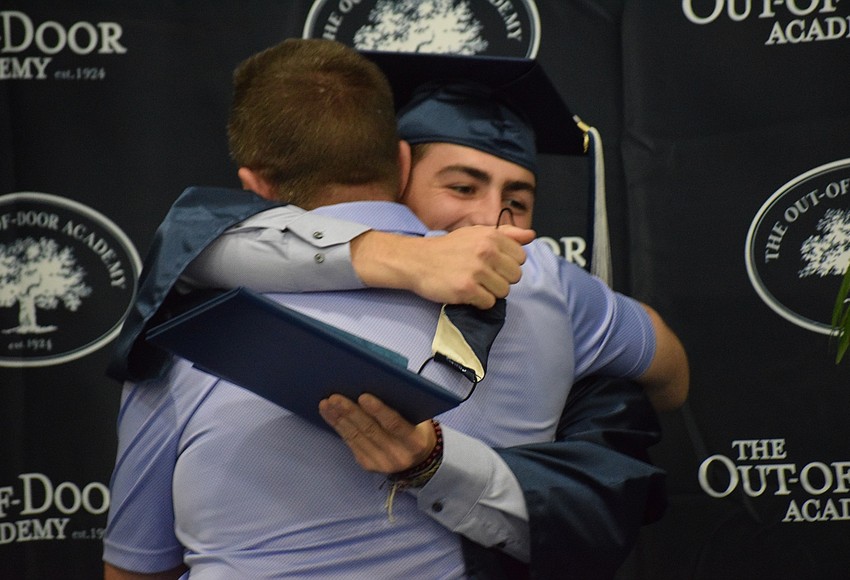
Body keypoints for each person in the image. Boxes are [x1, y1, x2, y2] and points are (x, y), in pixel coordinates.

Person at [104, 39, 686, 579]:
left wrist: (579, 437)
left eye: (517, 201)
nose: (488, 222)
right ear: (402, 166)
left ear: (254, 184)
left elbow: (134, 565)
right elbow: (669, 372)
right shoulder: (547, 283)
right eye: (462, 188)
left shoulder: (187, 318)